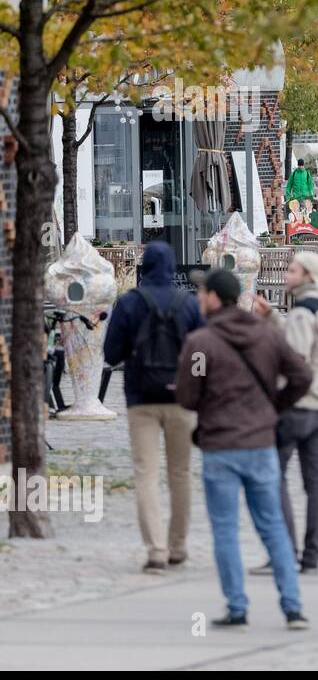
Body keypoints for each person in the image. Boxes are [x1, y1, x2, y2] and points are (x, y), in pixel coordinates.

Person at [173, 268, 313, 630]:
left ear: (215, 298)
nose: (199, 298)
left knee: (225, 529)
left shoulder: (200, 343)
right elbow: (302, 376)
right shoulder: (266, 336)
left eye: (203, 293)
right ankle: (292, 606)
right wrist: (274, 407)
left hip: (220, 445)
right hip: (260, 442)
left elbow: (188, 398)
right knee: (272, 526)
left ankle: (237, 606)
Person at [102, 241, 205, 574]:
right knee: (180, 473)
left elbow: (112, 354)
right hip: (181, 399)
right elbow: (203, 352)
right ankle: (178, 545)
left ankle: (156, 549)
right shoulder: (188, 303)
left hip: (141, 399)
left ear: (143, 266)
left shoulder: (129, 303)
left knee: (146, 473)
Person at [250, 252, 318, 576]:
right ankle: (313, 553)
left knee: (273, 477)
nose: (287, 275)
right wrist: (275, 321)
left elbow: (294, 359)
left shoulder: (303, 313)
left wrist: (276, 400)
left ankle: (284, 550)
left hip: (296, 406)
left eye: (292, 270)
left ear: (307, 276)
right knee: (314, 482)